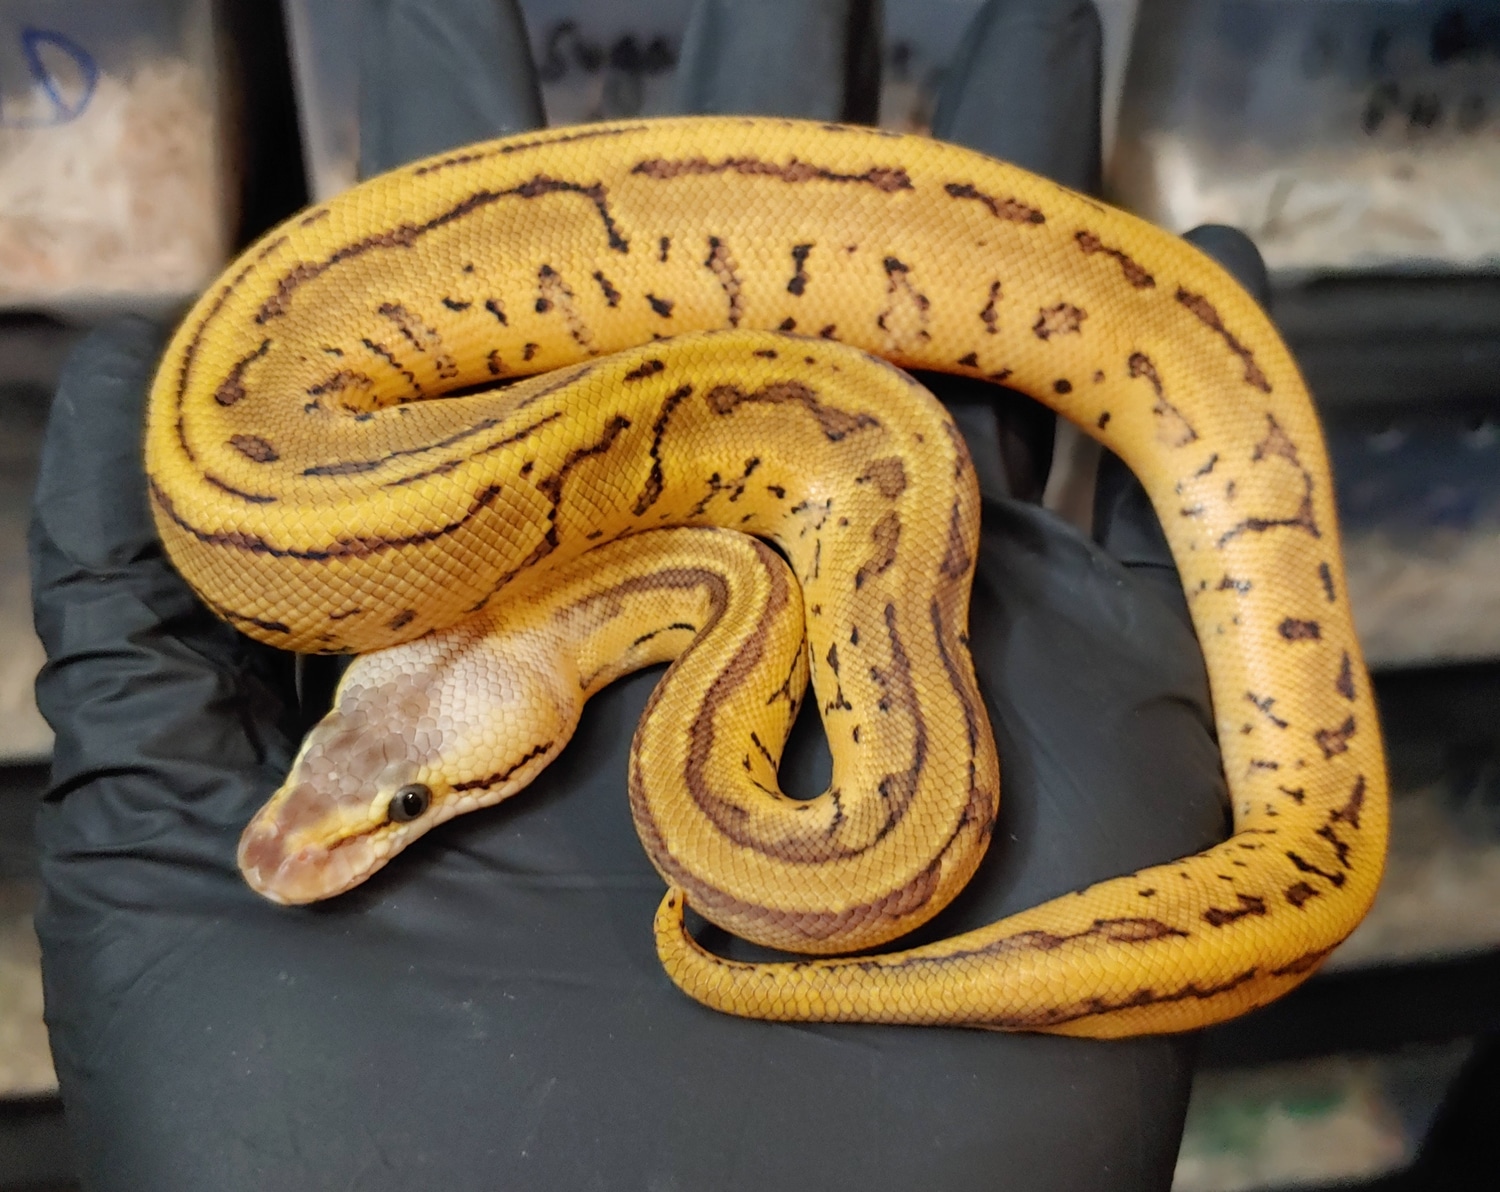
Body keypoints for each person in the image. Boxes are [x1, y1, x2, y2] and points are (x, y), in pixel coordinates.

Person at [28, 1, 1269, 1187]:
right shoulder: (674, 601)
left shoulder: (660, 605)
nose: (292, 837)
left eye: (406, 800)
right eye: (377, 791)